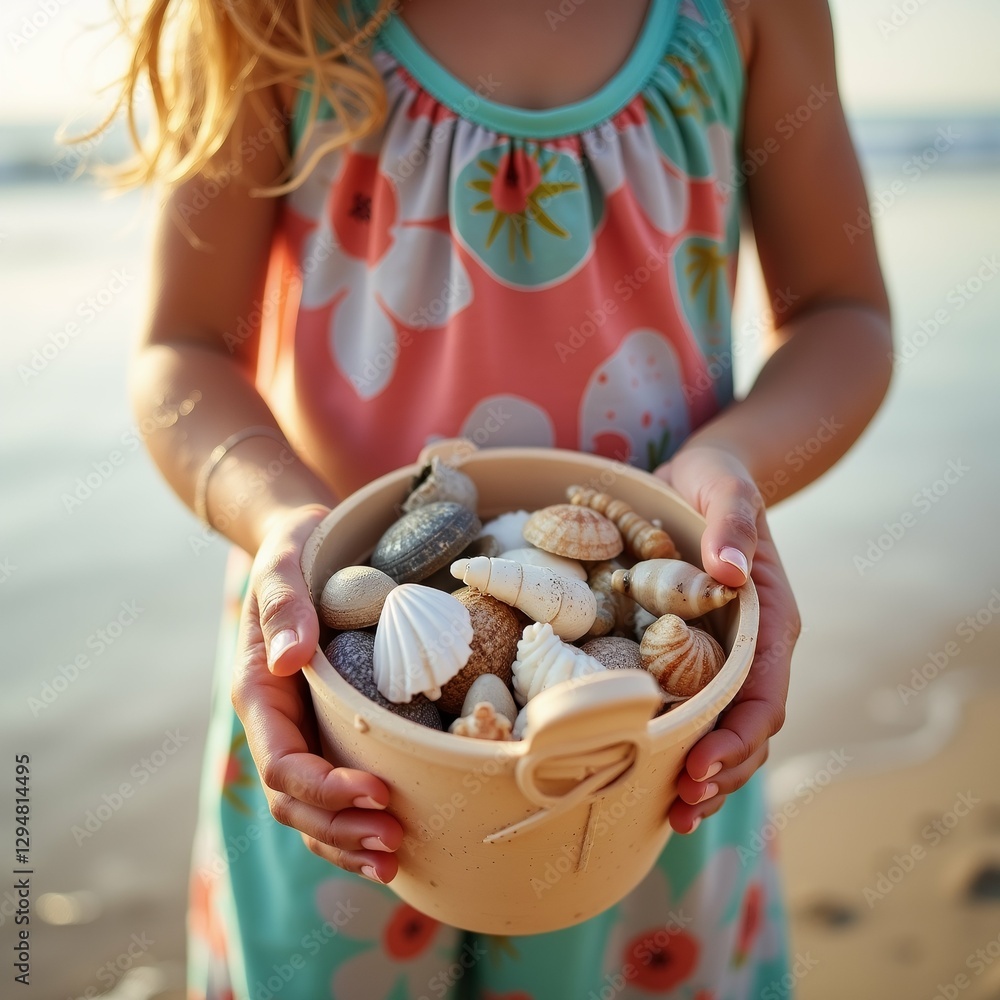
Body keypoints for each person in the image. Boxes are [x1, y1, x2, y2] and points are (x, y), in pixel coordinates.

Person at [110, 0, 891, 995]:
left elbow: (841, 311)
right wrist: (279, 525)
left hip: (645, 738)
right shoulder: (270, 14)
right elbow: (182, 347)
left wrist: (727, 472)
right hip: (334, 696)